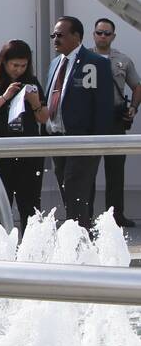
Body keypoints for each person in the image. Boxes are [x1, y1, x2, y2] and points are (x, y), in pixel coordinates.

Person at [0, 39, 50, 231]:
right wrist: (5, 96)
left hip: (28, 153)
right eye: (15, 65)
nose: (18, 70)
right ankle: (1, 251)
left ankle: (30, 252)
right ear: (4, 62)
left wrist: (35, 102)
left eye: (23, 66)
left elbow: (43, 117)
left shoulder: (31, 81)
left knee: (31, 207)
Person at [44, 15, 114, 227]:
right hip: (57, 138)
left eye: (60, 35)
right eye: (53, 35)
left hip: (83, 139)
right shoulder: (55, 63)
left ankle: (77, 235)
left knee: (75, 186)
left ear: (76, 36)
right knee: (68, 187)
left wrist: (97, 142)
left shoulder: (96, 63)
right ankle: (81, 231)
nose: (55, 39)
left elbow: (103, 105)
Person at [91, 17, 141, 226]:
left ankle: (115, 216)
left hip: (115, 118)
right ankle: (84, 216)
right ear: (93, 34)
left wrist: (133, 108)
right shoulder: (83, 58)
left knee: (115, 170)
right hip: (90, 119)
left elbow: (137, 85)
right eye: (99, 32)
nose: (103, 36)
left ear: (113, 36)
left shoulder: (123, 60)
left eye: (107, 33)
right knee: (87, 171)